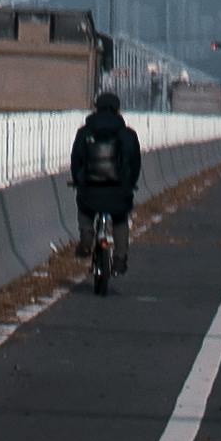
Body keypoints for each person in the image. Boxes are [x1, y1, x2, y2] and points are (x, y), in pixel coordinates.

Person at [69, 72, 141, 288]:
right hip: (119, 191)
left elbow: (76, 160)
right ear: (118, 110)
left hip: (90, 190)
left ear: (96, 109)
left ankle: (87, 238)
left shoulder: (84, 132)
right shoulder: (127, 135)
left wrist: (78, 181)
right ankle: (119, 258)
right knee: (119, 219)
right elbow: (135, 162)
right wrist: (129, 183)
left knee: (84, 209)